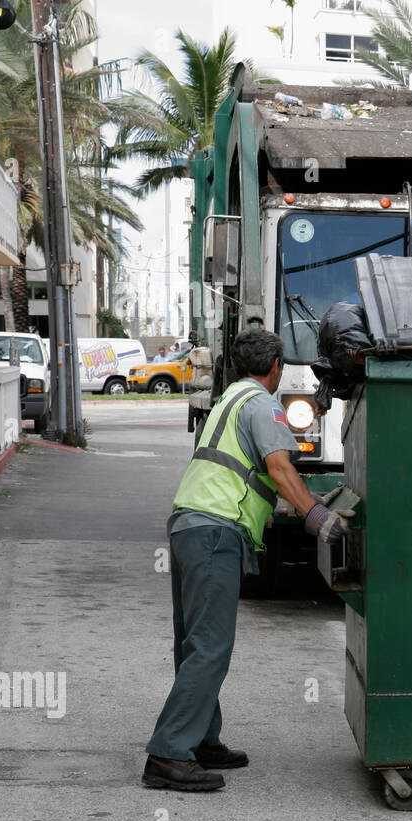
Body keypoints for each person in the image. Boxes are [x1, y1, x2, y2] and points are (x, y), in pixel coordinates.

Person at [142, 328, 354, 791]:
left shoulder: (230, 399)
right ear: (276, 367)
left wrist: (302, 498)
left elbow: (254, 465)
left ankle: (201, 738)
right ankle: (168, 752)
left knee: (194, 643)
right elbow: (280, 467)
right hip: (215, 532)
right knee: (210, 646)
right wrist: (318, 517)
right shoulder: (262, 404)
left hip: (189, 526)